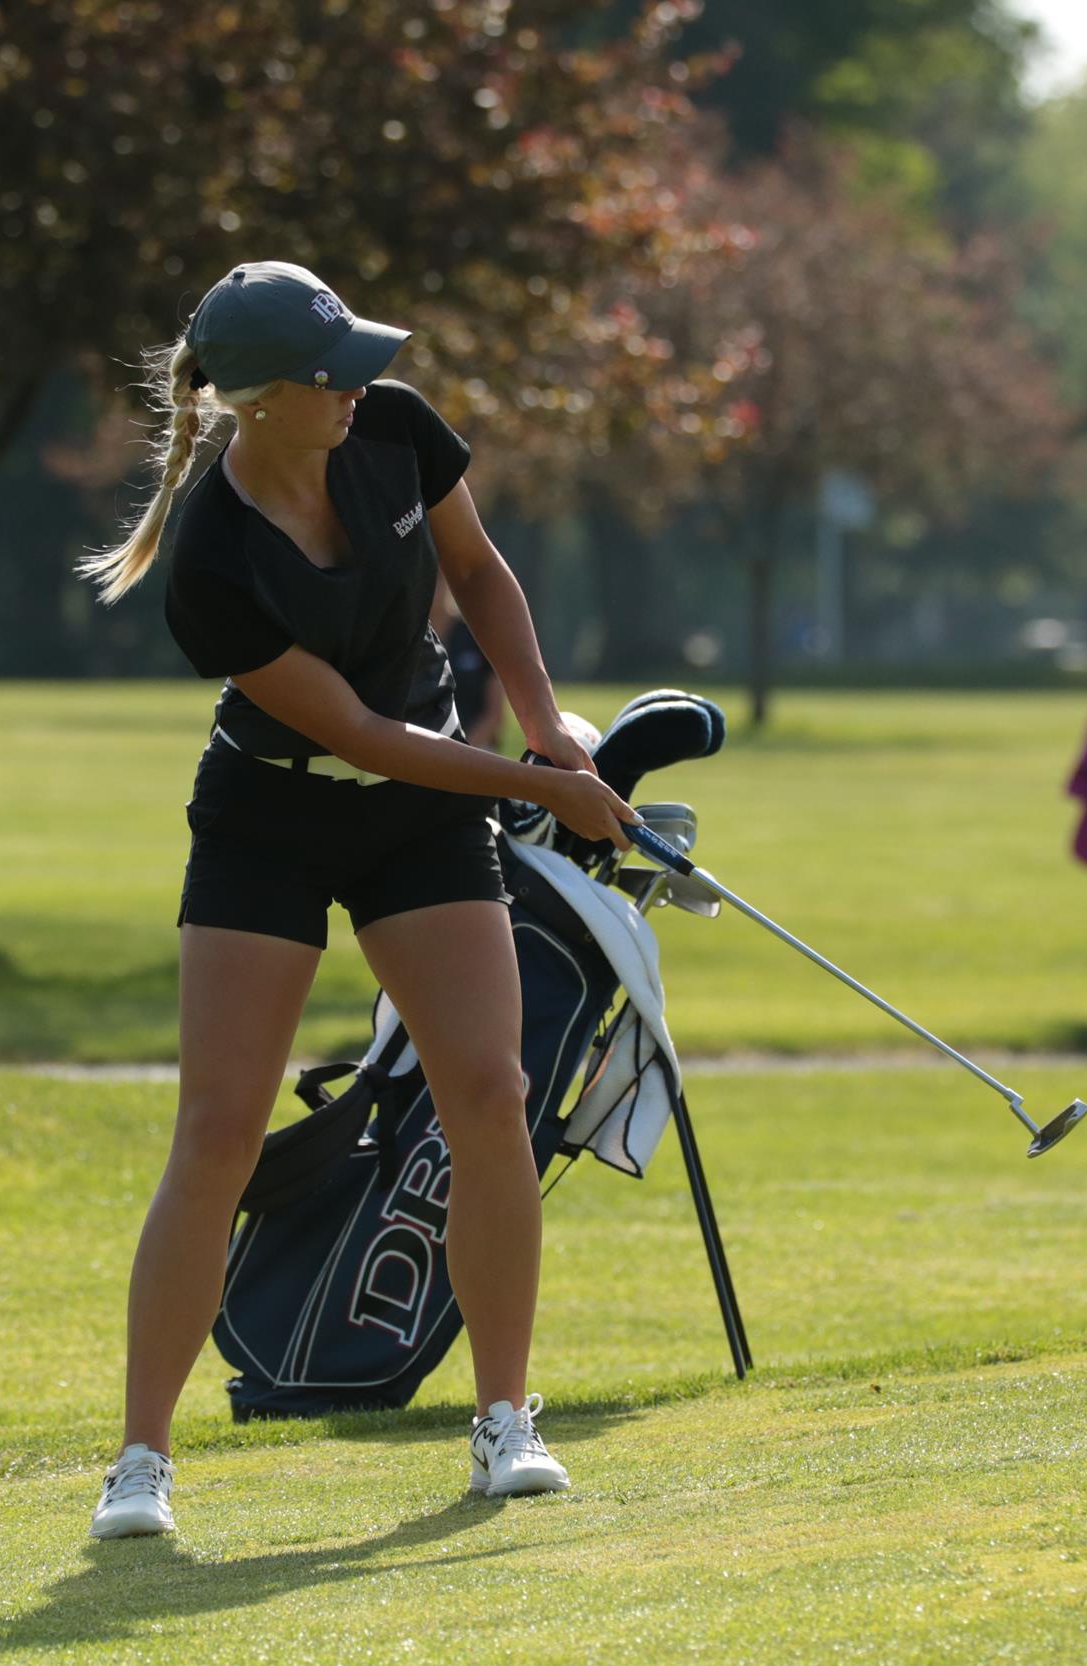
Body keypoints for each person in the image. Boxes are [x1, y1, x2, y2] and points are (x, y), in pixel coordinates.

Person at [77, 260, 636, 1538]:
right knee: (218, 1131)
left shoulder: (390, 429)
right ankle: (141, 1460)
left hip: (418, 819)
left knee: (488, 1091)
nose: (358, 388)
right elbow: (361, 737)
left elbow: (478, 571)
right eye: (331, 373)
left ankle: (503, 1420)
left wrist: (545, 722)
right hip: (270, 817)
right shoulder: (213, 559)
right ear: (261, 399)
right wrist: (538, 788)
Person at [432, 573, 507, 751]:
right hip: (418, 753)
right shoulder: (404, 639)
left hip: (477, 750)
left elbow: (494, 715)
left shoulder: (477, 635)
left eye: (437, 578)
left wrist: (458, 753)